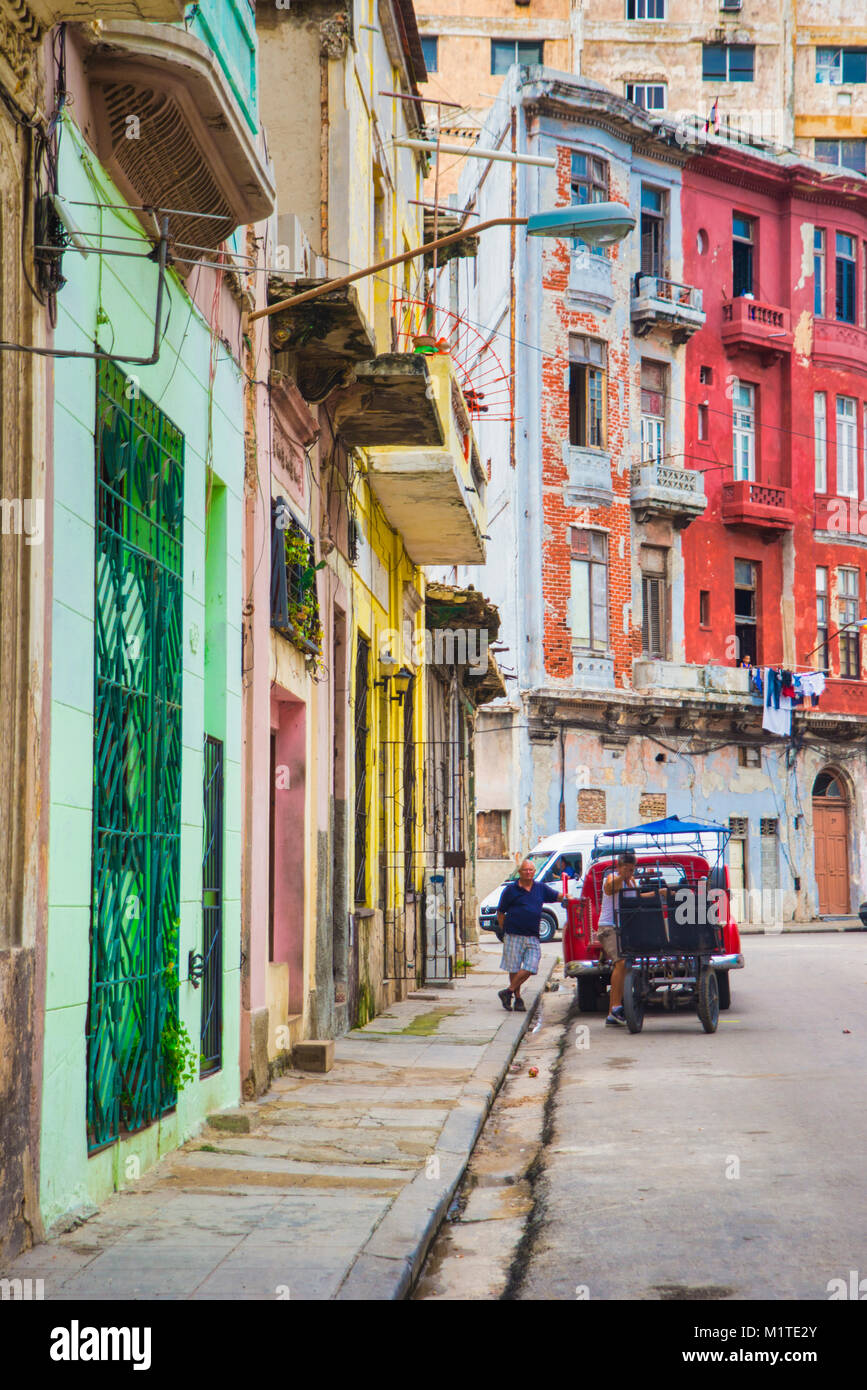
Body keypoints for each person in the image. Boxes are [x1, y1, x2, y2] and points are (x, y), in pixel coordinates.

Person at [495, 858, 565, 1012]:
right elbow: (501, 912)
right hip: (513, 934)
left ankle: (508, 992)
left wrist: (568, 897)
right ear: (520, 872)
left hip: (532, 935)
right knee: (514, 967)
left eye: (531, 870)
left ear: (534, 872)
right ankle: (518, 999)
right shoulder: (510, 890)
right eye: (525, 870)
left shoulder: (540, 888)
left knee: (532, 966)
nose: (528, 872)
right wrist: (504, 929)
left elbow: (557, 896)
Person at [596, 849, 640, 1028]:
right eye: (627, 869)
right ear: (620, 867)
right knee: (620, 963)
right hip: (609, 927)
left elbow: (637, 899)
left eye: (632, 869)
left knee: (627, 965)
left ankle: (612, 1014)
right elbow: (610, 888)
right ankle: (615, 1007)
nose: (630, 873)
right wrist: (622, 876)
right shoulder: (611, 878)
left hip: (625, 927)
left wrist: (657, 894)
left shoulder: (632, 882)